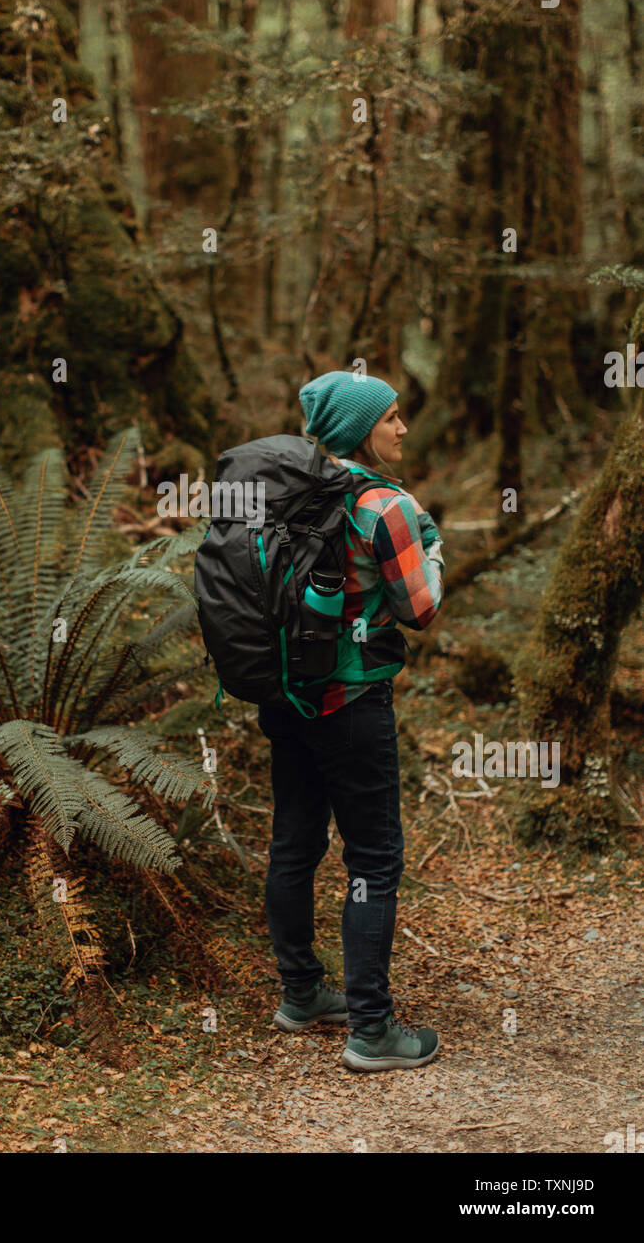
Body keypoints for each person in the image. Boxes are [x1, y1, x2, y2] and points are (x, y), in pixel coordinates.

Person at [259, 370, 445, 1072]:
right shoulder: (384, 506)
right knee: (373, 858)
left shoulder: (285, 491)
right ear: (363, 429)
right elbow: (420, 611)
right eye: (392, 418)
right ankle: (372, 1031)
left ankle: (301, 994)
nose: (402, 428)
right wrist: (434, 550)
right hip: (352, 704)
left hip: (286, 698)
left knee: (294, 843)